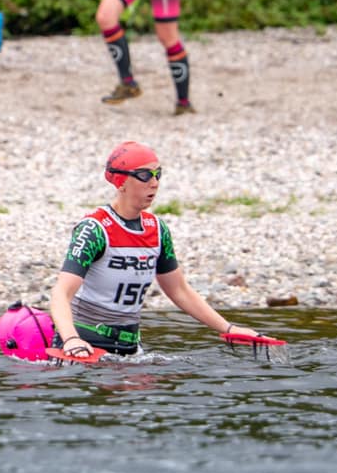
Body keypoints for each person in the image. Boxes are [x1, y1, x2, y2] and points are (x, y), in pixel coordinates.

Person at [49, 141, 275, 358]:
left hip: (129, 348)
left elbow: (179, 291)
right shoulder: (94, 229)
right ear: (121, 182)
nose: (154, 182)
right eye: (144, 175)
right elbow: (61, 293)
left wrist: (229, 328)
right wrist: (71, 340)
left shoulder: (157, 230)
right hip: (85, 344)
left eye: (158, 174)